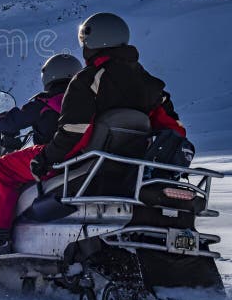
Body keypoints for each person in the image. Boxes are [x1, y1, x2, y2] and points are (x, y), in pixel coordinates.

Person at [30, 12, 186, 186]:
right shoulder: (151, 85)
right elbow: (174, 128)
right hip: (132, 165)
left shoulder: (87, 79)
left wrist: (45, 159)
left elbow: (73, 130)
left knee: (6, 167)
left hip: (85, 163)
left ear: (92, 41)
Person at [0, 53, 83, 255]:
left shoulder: (46, 102)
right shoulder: (85, 100)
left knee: (3, 167)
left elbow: (11, 121)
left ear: (49, 76)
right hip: (80, 158)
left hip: (51, 158)